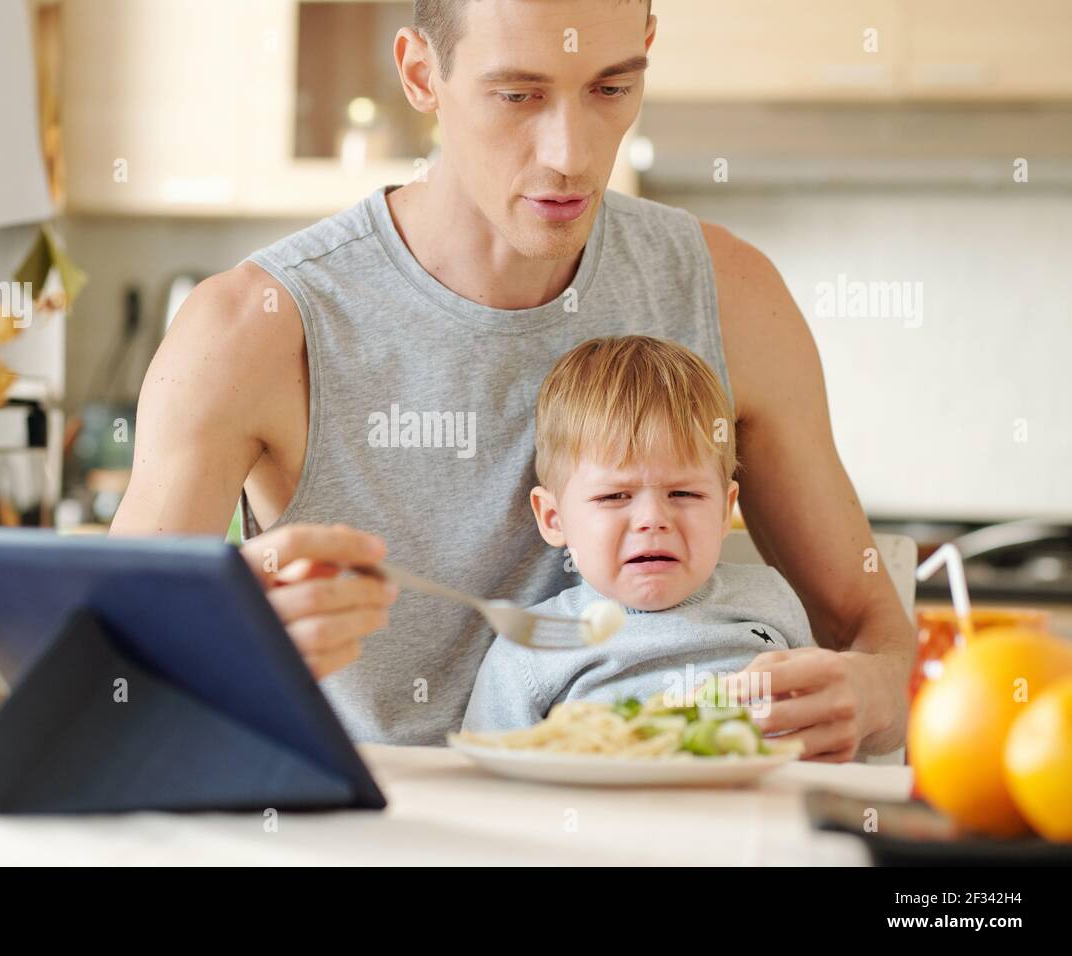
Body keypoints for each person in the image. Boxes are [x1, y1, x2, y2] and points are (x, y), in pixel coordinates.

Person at [112, 0, 913, 759]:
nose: (572, 154)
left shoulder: (730, 294)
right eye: (518, 94)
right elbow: (97, 686)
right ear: (422, 74)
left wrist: (871, 695)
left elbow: (873, 632)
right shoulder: (251, 329)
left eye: (612, 87)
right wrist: (212, 646)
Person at [464, 335, 816, 732]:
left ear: (723, 509)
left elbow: (822, 725)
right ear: (553, 518)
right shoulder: (531, 646)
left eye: (684, 493)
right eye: (615, 496)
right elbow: (486, 778)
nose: (652, 519)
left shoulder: (770, 599)